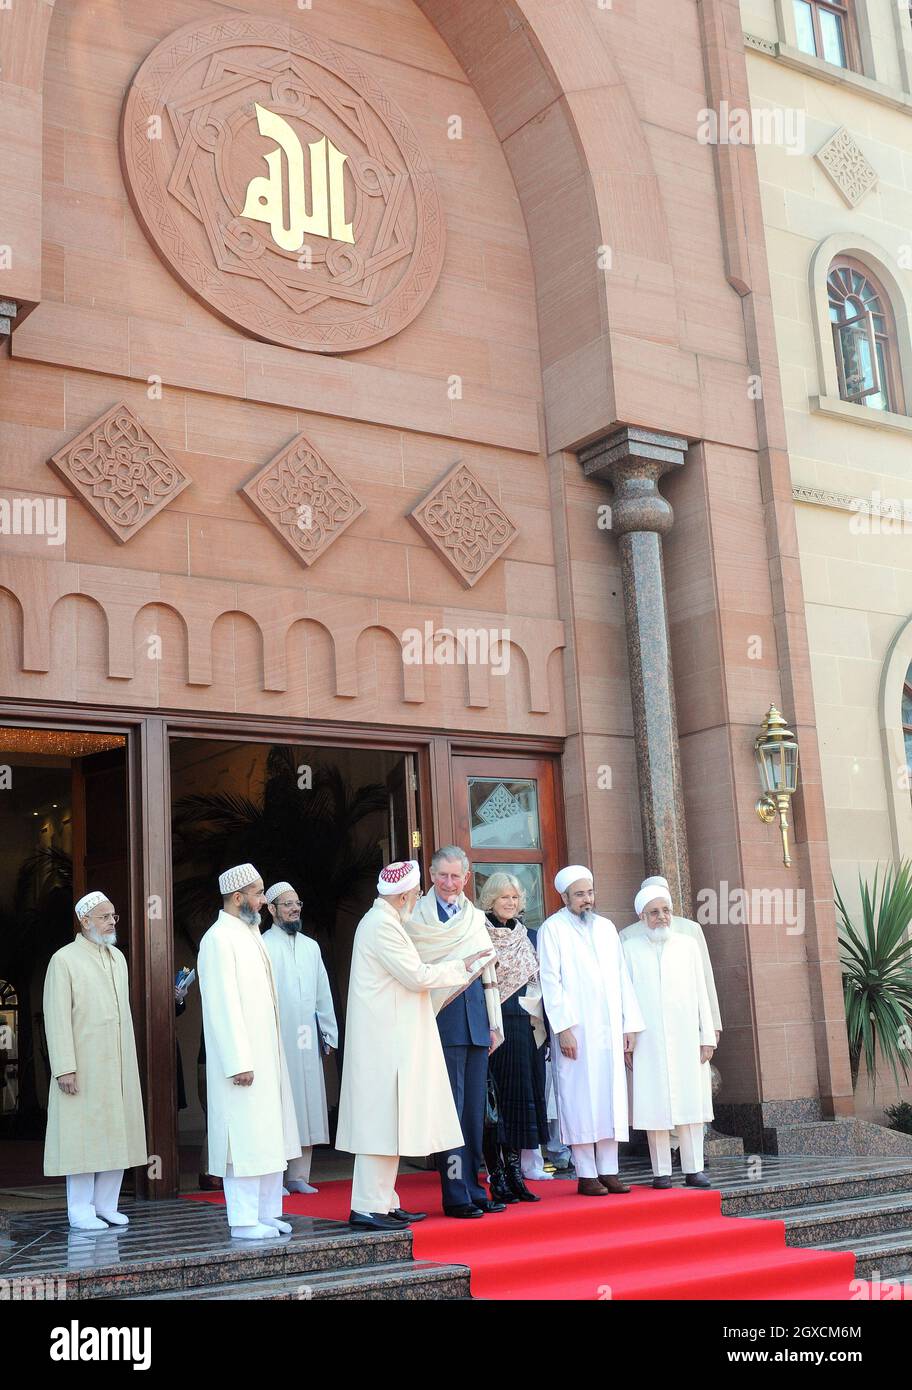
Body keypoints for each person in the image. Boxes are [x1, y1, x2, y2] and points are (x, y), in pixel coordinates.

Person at [335, 860, 495, 1230]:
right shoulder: (381, 926)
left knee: (390, 1124)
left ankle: (385, 1202)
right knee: (378, 1127)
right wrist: (463, 966)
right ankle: (366, 1207)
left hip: (391, 1039)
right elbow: (416, 975)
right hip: (383, 1044)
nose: (418, 898)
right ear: (406, 895)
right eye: (417, 893)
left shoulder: (389, 922)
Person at [197, 864, 300, 1240]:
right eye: (258, 893)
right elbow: (222, 1006)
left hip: (267, 1060)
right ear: (238, 897)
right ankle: (243, 1220)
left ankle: (267, 1212)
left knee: (270, 1136)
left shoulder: (250, 932)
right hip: (242, 1064)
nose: (263, 899)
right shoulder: (218, 938)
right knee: (243, 1141)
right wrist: (239, 1060)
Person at [408, 846, 505, 1219]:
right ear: (431, 875)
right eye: (442, 875)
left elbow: (488, 974)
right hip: (440, 1022)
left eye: (456, 876)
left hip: (477, 1021)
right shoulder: (416, 917)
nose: (449, 883)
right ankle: (454, 1194)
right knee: (449, 1113)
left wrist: (494, 1024)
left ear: (467, 878)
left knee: (474, 1113)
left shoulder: (476, 918)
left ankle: (474, 1187)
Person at [42, 891, 147, 1230]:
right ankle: (81, 1211)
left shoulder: (118, 958)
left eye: (113, 915)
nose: (112, 921)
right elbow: (56, 1017)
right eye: (105, 916)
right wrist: (65, 1067)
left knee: (118, 1134)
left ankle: (106, 1205)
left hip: (117, 1065)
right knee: (82, 1139)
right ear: (85, 921)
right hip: (83, 1067)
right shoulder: (64, 959)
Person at [537, 865, 644, 1196]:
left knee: (610, 1097)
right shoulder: (552, 929)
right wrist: (564, 1029)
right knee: (580, 1097)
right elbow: (550, 981)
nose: (587, 899)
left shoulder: (607, 927)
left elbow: (623, 977)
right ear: (564, 896)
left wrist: (630, 1025)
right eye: (580, 894)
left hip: (609, 1029)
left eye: (590, 892)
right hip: (576, 1030)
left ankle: (609, 1170)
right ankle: (586, 1174)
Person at [621, 885, 716, 1189]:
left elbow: (703, 991)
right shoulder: (629, 949)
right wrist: (628, 1035)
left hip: (687, 1036)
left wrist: (707, 1035)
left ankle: (694, 1168)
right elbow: (626, 997)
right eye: (654, 912)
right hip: (647, 1040)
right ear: (642, 916)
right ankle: (661, 1171)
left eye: (666, 911)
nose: (661, 917)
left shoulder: (687, 945)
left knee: (690, 1104)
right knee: (654, 1105)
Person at [262, 881, 338, 1195]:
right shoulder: (263, 944)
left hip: (307, 1038)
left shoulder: (311, 946)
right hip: (278, 1039)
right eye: (287, 904)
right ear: (271, 909)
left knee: (307, 1102)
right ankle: (276, 1177)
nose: (294, 909)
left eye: (297, 904)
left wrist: (328, 1033)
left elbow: (323, 992)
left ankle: (299, 1176)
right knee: (281, 1103)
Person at [479, 872, 547, 1204]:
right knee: (496, 1105)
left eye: (515, 897)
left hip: (522, 1024)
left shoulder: (525, 935)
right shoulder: (478, 931)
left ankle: (516, 1173)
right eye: (504, 897)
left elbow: (535, 981)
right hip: (493, 1025)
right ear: (490, 899)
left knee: (520, 1102)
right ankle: (498, 1175)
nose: (510, 903)